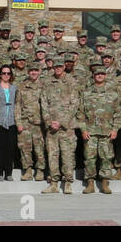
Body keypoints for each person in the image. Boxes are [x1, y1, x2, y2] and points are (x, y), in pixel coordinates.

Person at [80, 66, 121, 194]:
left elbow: (118, 114)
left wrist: (115, 129)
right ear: (93, 76)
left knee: (106, 158)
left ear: (105, 76)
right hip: (91, 132)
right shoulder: (86, 93)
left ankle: (105, 183)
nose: (99, 76)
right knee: (89, 158)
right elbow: (80, 113)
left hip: (106, 132)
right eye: (97, 74)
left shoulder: (113, 95)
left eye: (101, 74)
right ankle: (90, 183)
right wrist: (83, 129)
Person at [40, 63, 77, 193]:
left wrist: (61, 121)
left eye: (60, 66)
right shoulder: (47, 82)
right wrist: (49, 121)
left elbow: (74, 104)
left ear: (63, 67)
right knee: (52, 155)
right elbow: (43, 103)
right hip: (51, 127)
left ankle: (67, 182)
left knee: (67, 155)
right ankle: (54, 183)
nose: (58, 68)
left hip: (67, 127)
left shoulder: (71, 81)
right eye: (56, 66)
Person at [0, 65, 19, 182]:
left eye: (8, 73)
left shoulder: (14, 88)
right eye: (4, 73)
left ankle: (9, 172)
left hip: (11, 121)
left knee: (10, 148)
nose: (6, 75)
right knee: (0, 148)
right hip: (0, 121)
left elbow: (17, 104)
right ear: (0, 74)